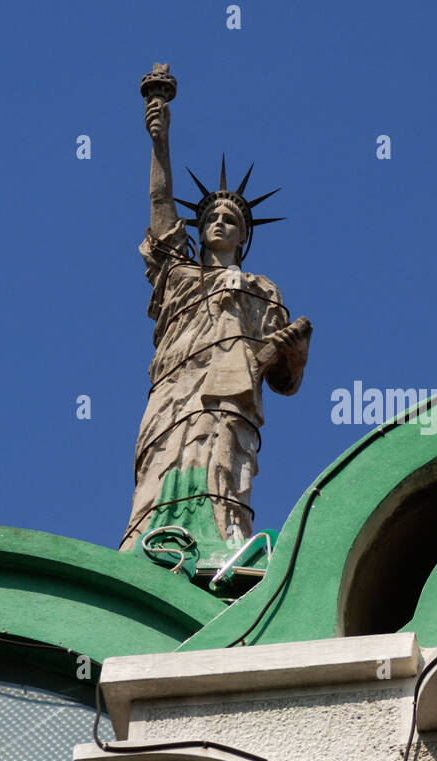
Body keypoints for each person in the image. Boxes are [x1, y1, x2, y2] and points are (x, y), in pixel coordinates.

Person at [119, 76, 311, 555]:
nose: (221, 222)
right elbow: (161, 207)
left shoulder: (261, 290)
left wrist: (292, 351)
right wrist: (159, 140)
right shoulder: (178, 277)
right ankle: (150, 538)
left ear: (244, 238)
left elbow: (285, 380)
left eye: (232, 220)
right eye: (212, 219)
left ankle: (221, 535)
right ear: (200, 231)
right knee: (164, 458)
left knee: (223, 460)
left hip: (230, 396)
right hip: (175, 390)